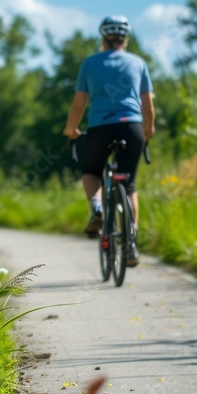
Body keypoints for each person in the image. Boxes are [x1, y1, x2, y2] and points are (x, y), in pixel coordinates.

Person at [62, 15, 155, 266]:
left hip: (100, 128)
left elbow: (78, 104)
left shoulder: (90, 63)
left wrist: (71, 129)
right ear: (125, 39)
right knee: (130, 183)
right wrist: (148, 128)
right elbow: (147, 104)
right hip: (132, 128)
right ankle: (131, 242)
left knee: (92, 171)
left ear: (103, 38)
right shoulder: (138, 63)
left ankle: (97, 207)